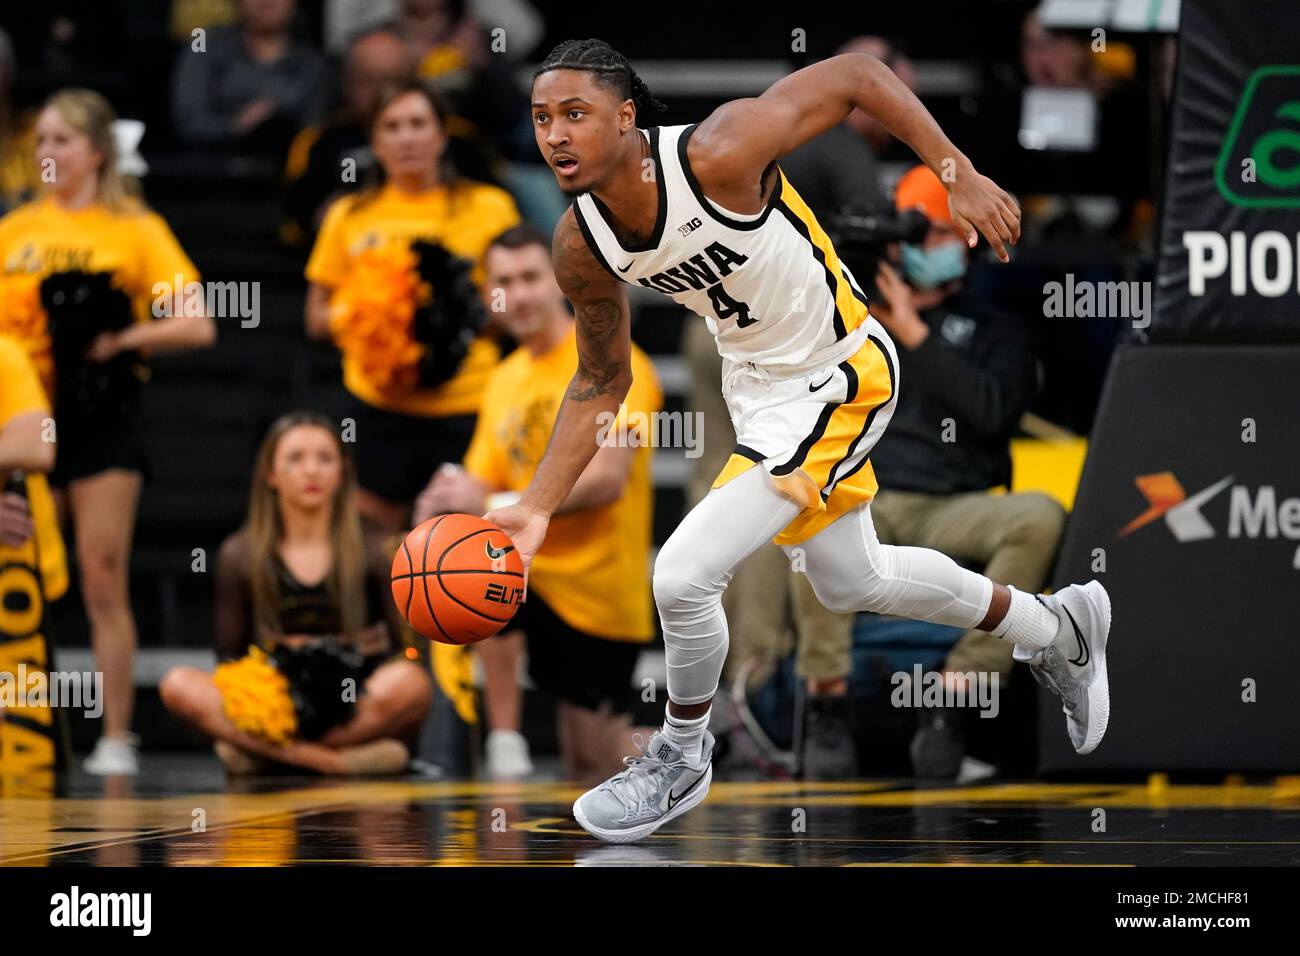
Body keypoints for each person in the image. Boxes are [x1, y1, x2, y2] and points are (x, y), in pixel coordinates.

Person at [487, 38, 1111, 844]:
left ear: (627, 116)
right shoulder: (581, 244)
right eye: (542, 118)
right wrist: (537, 508)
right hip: (758, 392)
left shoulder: (719, 151)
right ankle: (1057, 628)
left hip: (838, 370)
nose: (555, 135)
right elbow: (601, 380)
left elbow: (856, 76)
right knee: (854, 581)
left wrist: (956, 173)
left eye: (576, 113)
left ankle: (681, 753)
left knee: (681, 575)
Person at [0, 88, 216, 775]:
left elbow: (197, 322)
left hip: (101, 419)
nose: (48, 152)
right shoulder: (12, 230)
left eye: (62, 140)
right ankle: (22, 728)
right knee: (24, 574)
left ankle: (117, 736)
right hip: (22, 418)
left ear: (97, 151)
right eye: (41, 140)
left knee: (100, 576)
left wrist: (122, 338)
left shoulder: (134, 229)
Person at [413, 225, 661, 782]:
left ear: (560, 282)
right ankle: (503, 738)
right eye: (503, 282)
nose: (518, 295)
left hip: (597, 594)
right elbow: (477, 482)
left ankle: (688, 746)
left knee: (592, 763)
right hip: (530, 576)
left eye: (530, 277)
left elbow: (607, 481)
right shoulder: (503, 378)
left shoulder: (622, 365)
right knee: (456, 566)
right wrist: (441, 500)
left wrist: (491, 498)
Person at [869, 165, 1066, 777]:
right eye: (921, 234)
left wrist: (917, 337)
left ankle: (957, 693)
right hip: (867, 504)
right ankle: (796, 698)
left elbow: (993, 411)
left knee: (1039, 516)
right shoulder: (854, 322)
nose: (933, 246)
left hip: (953, 510)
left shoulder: (995, 329)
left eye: (943, 234)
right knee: (785, 507)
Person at [159, 411, 433, 775]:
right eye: (295, 459)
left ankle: (263, 757)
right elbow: (229, 660)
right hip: (276, 700)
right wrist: (280, 658)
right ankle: (334, 762)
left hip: (351, 699)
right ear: (271, 475)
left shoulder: (375, 548)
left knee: (413, 684)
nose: (311, 470)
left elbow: (408, 653)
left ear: (342, 472)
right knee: (178, 685)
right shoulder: (240, 553)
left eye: (325, 458)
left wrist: (351, 649)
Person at [304, 78, 520, 537]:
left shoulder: (490, 208)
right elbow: (317, 317)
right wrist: (371, 318)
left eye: (419, 124)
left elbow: (515, 303)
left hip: (467, 406)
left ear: (442, 135)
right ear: (375, 140)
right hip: (376, 408)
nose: (407, 138)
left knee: (462, 543)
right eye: (393, 126)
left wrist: (453, 315)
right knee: (372, 544)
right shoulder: (348, 216)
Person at [170, 0, 329, 154]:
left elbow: (315, 132)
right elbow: (188, 121)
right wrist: (235, 125)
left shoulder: (314, 64)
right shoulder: (204, 45)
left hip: (288, 165)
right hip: (212, 163)